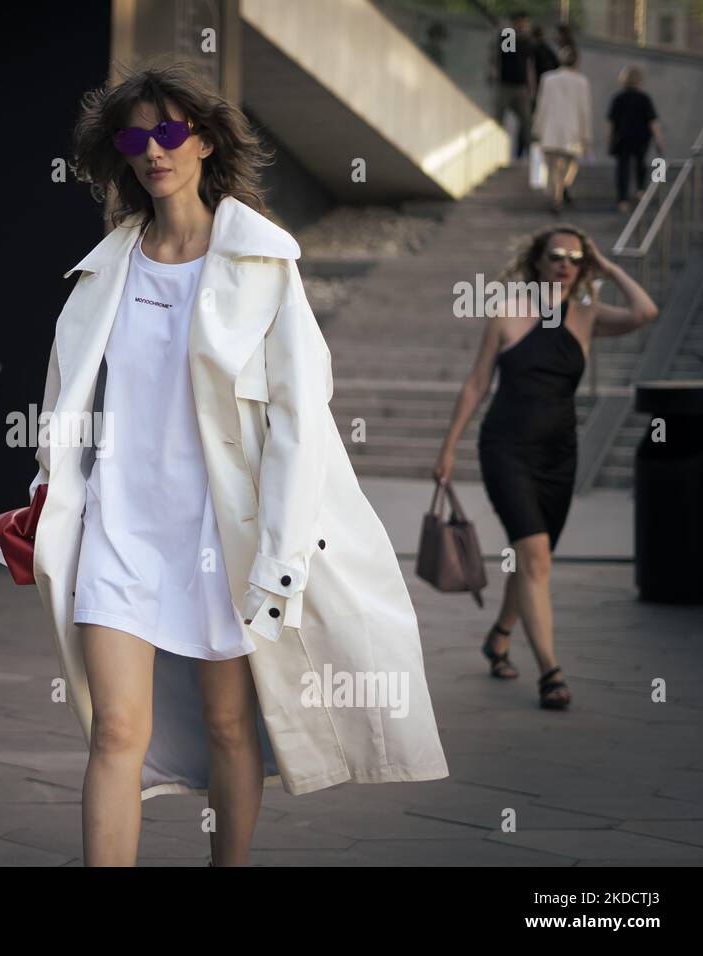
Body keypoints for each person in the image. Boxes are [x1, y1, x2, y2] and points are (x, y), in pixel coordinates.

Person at [22, 61, 449, 867]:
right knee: (114, 729)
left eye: (170, 131)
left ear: (206, 140)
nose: (153, 150)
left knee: (229, 725)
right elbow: (66, 405)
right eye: (135, 136)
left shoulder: (263, 263)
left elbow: (299, 421)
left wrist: (280, 563)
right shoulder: (105, 268)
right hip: (120, 532)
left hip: (223, 537)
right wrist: (49, 492)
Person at [432, 225, 658, 710]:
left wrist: (610, 267)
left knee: (535, 558)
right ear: (538, 260)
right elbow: (476, 385)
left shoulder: (588, 316)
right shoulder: (507, 316)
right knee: (534, 558)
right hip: (505, 451)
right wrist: (448, 448)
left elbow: (646, 312)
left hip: (560, 456)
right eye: (556, 254)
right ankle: (551, 674)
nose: (565, 263)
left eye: (576, 258)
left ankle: (499, 637)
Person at [531, 45, 592, 214]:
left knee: (552, 168)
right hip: (572, 130)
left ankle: (556, 195)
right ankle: (561, 190)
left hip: (551, 128)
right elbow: (584, 110)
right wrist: (586, 136)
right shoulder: (581, 82)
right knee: (568, 165)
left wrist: (537, 129)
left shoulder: (548, 79)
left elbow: (541, 105)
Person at [607, 66, 666, 213]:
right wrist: (659, 141)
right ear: (639, 81)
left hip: (623, 138)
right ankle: (640, 191)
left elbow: (610, 123)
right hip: (641, 138)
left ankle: (623, 200)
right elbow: (653, 122)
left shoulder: (618, 98)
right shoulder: (644, 98)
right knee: (641, 164)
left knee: (623, 169)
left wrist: (609, 140)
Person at [491, 10, 537, 158]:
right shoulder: (508, 35)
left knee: (527, 122)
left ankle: (530, 154)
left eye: (526, 23)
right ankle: (494, 152)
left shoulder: (528, 42)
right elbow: (506, 52)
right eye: (521, 23)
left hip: (521, 87)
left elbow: (529, 65)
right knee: (499, 119)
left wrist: (531, 86)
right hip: (506, 85)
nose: (524, 26)